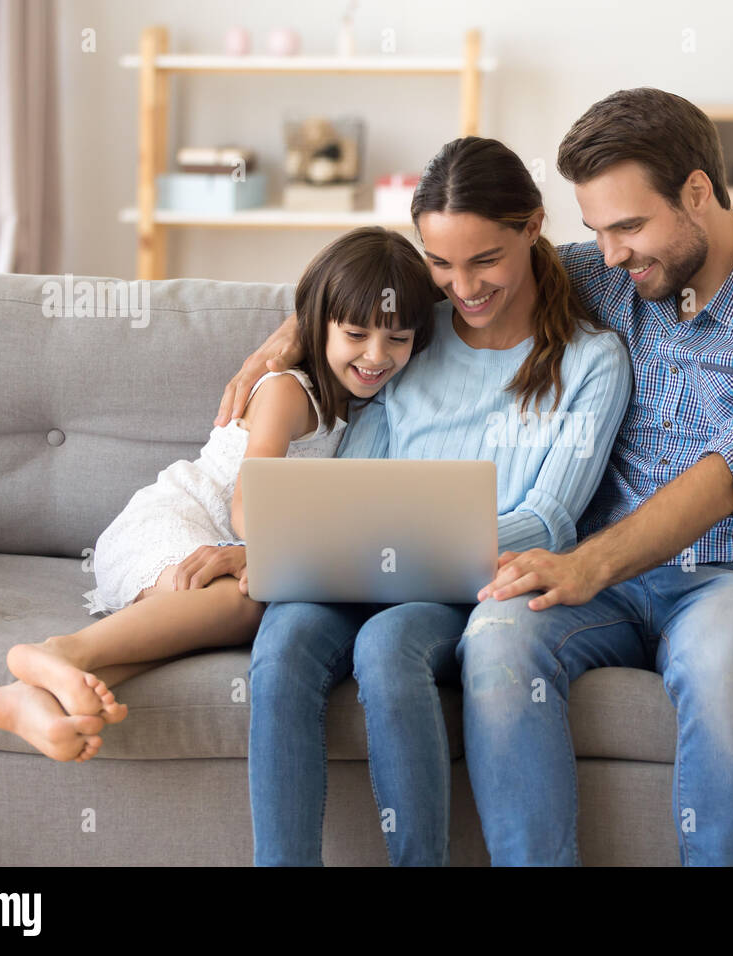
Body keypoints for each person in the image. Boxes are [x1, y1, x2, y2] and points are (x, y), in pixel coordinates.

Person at [220, 88, 733, 867]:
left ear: (697, 192)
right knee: (496, 639)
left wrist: (585, 562)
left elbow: (728, 475)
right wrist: (285, 339)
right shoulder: (609, 273)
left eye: (628, 225)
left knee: (722, 665)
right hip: (594, 583)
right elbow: (437, 271)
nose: (611, 252)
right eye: (595, 230)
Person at [238, 136, 632, 866]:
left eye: (484, 260)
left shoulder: (590, 360)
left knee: (388, 648)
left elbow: (550, 519)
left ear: (533, 226)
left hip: (468, 583)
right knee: (284, 639)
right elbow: (355, 469)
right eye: (441, 263)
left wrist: (416, 541)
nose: (464, 286)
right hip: (360, 562)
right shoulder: (411, 334)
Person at [0, 227, 438, 763]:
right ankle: (59, 650)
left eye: (398, 339)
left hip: (227, 542)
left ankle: (32, 695)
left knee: (225, 618)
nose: (376, 356)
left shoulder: (361, 402)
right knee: (248, 604)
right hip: (176, 519)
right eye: (356, 335)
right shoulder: (290, 391)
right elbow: (250, 501)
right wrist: (270, 555)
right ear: (317, 328)